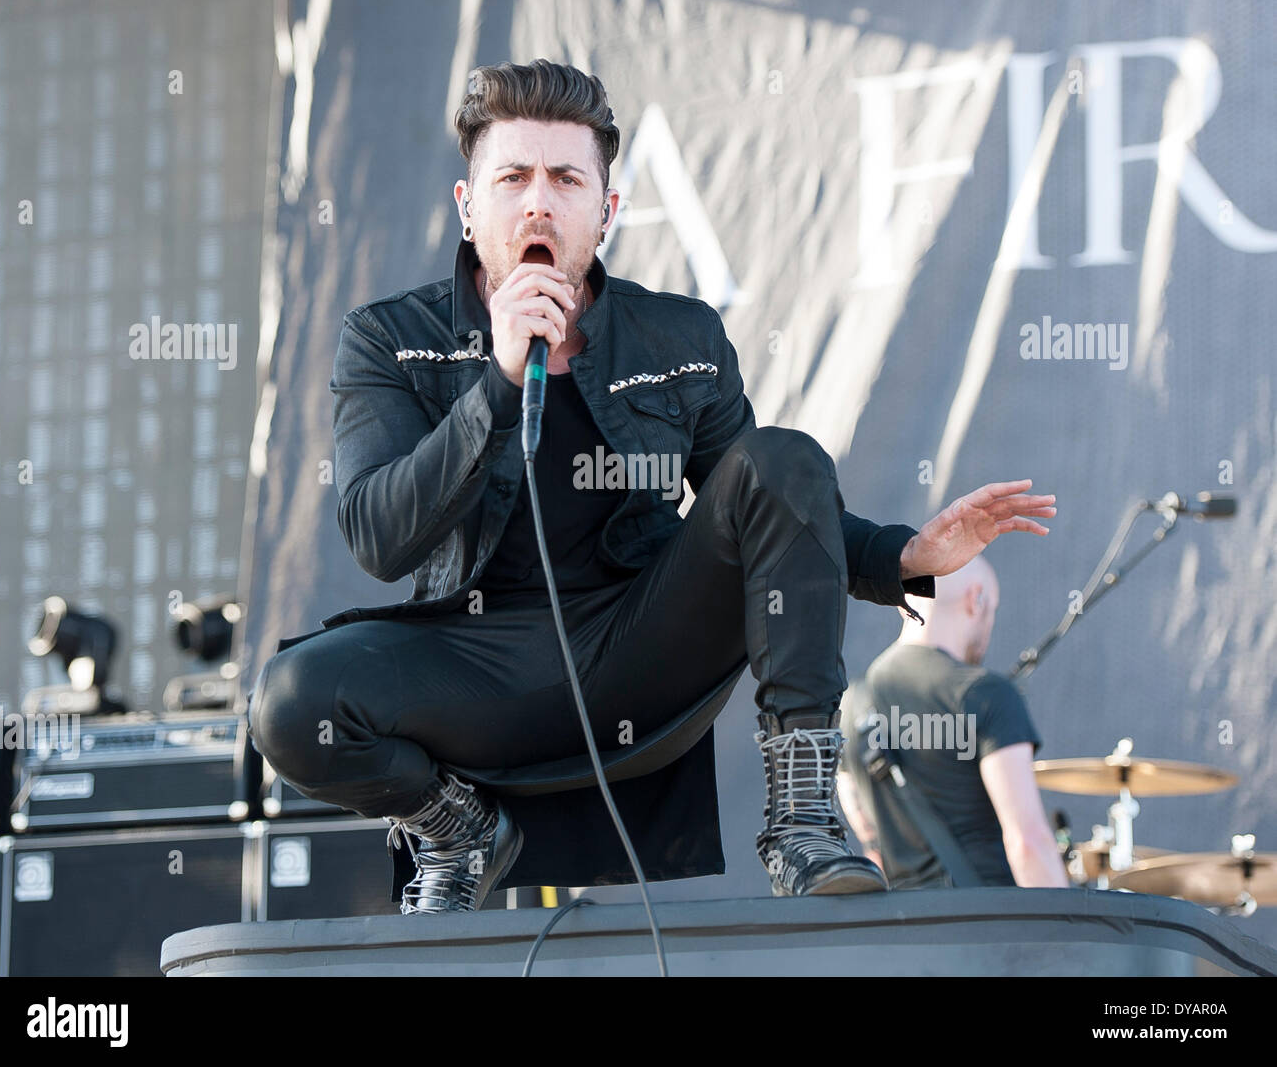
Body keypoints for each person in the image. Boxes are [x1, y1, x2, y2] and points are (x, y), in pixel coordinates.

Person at [246, 59, 1058, 914]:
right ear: (467, 206)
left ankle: (802, 820)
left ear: (606, 211)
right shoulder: (390, 340)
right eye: (513, 177)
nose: (537, 202)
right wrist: (494, 381)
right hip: (473, 660)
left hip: (635, 642)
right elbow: (380, 537)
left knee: (785, 454)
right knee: (291, 703)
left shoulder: (678, 337)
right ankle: (458, 828)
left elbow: (775, 504)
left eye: (566, 179)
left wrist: (909, 557)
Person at [837, 555, 1070, 888]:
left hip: (905, 930)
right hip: (988, 926)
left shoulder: (851, 706)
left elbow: (869, 841)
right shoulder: (984, 693)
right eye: (992, 610)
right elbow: (1027, 842)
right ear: (976, 599)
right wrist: (1063, 935)